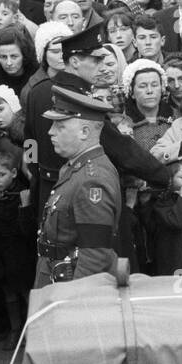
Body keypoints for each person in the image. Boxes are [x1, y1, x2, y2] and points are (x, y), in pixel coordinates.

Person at [36, 80, 122, 286]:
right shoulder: (74, 167)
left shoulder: (92, 180)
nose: (51, 132)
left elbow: (95, 255)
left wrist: (75, 299)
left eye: (60, 125)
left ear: (84, 132)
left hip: (72, 284)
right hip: (55, 274)